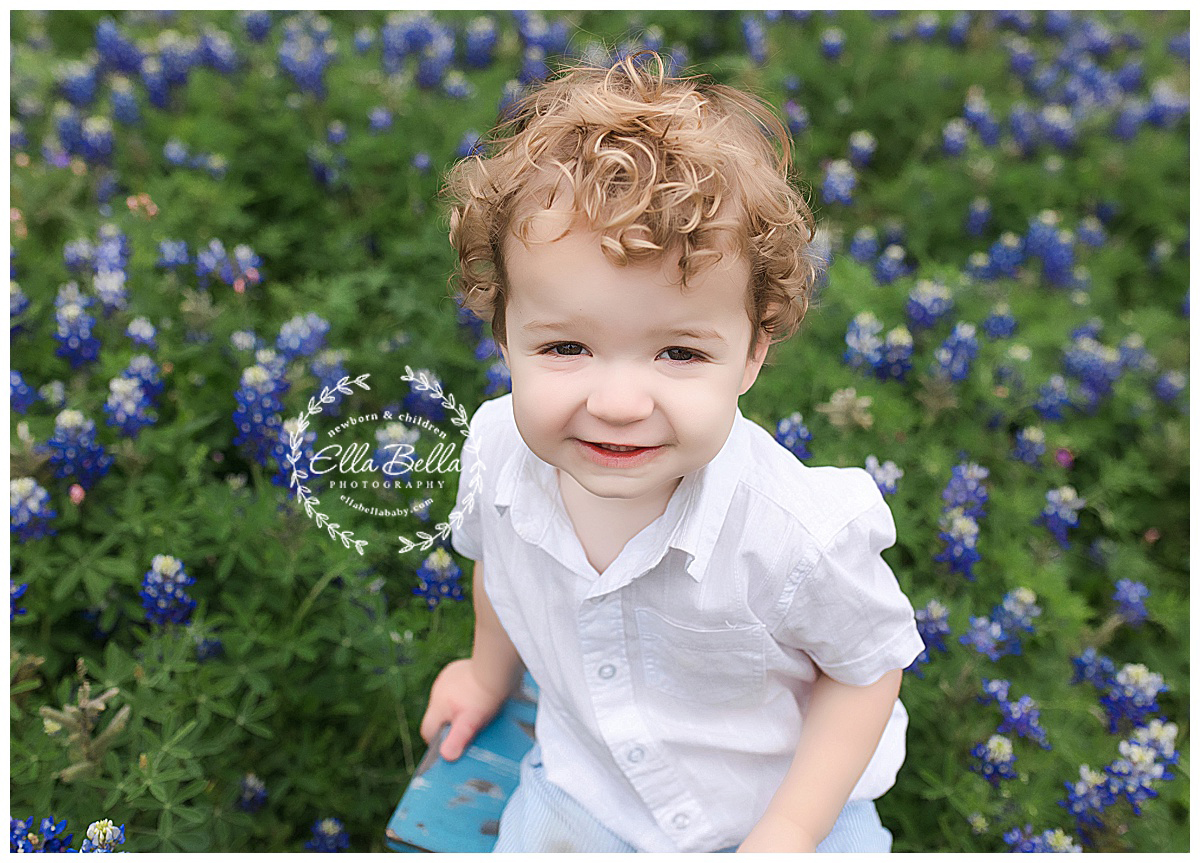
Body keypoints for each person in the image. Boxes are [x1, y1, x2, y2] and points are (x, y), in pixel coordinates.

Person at [420, 50, 924, 853]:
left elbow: (866, 670)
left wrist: (790, 830)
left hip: (781, 803)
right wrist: (486, 673)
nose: (618, 403)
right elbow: (497, 566)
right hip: (589, 788)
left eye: (679, 353)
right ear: (503, 333)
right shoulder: (494, 453)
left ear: (753, 352)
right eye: (566, 346)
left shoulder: (794, 533)